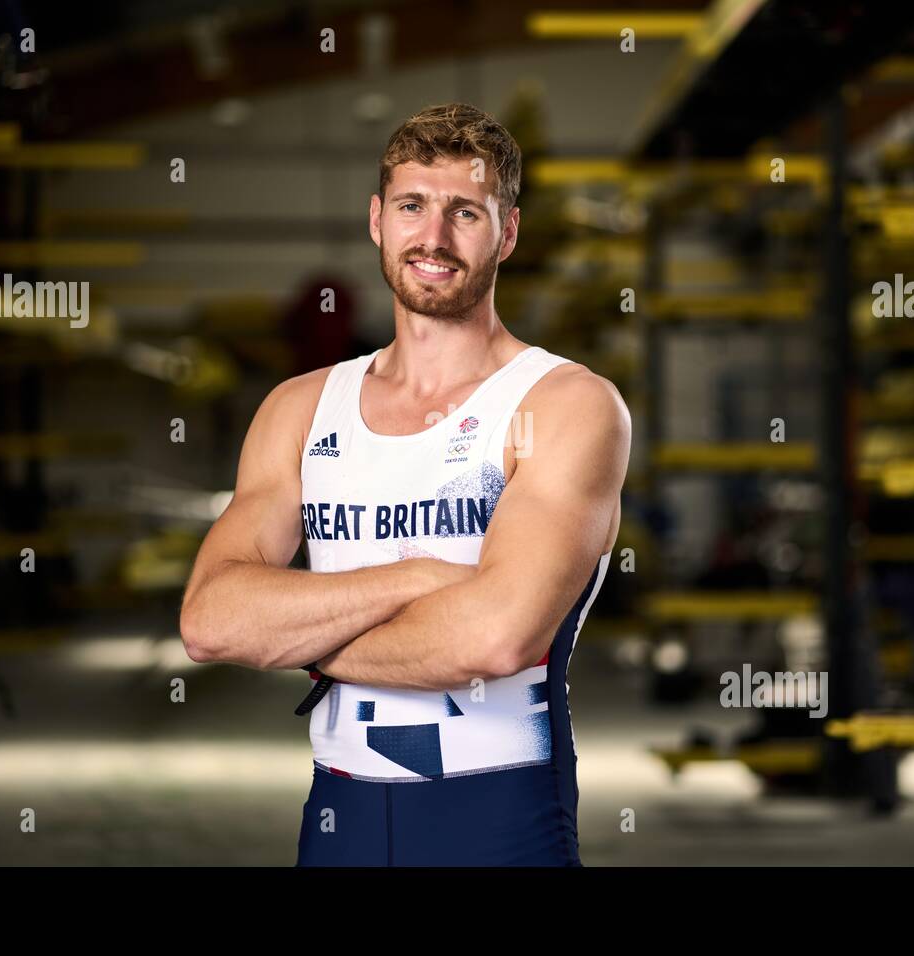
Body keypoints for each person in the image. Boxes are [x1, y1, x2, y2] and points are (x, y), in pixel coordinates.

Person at [179, 103, 631, 866]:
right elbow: (212, 621)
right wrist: (422, 578)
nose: (435, 237)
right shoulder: (298, 409)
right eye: (413, 206)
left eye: (466, 213)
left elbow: (496, 637)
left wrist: (300, 635)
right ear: (377, 221)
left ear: (508, 233)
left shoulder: (564, 404)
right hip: (339, 813)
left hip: (499, 814)